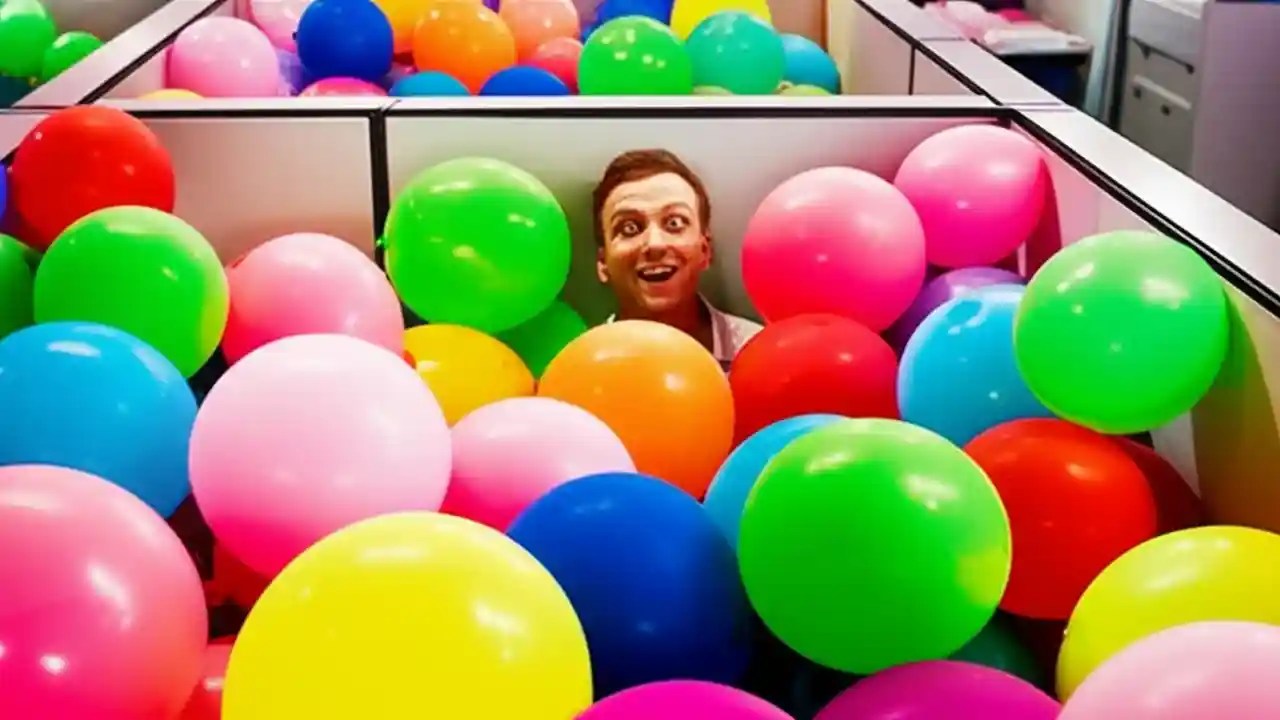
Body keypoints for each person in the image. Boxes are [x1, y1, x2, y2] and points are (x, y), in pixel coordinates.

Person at [593, 149, 762, 367]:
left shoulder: (761, 357)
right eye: (629, 228)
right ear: (602, 263)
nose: (655, 244)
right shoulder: (572, 374)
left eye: (675, 223)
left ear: (705, 250)